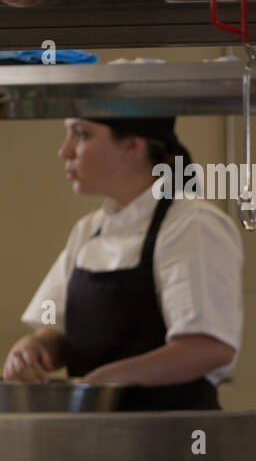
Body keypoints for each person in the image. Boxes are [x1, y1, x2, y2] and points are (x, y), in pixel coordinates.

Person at [2, 116, 243, 410]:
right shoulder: (88, 229)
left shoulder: (191, 224)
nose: (64, 150)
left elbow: (208, 348)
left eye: (80, 135)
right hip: (99, 436)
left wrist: (104, 383)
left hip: (176, 440)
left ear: (132, 146)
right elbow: (55, 321)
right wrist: (36, 346)